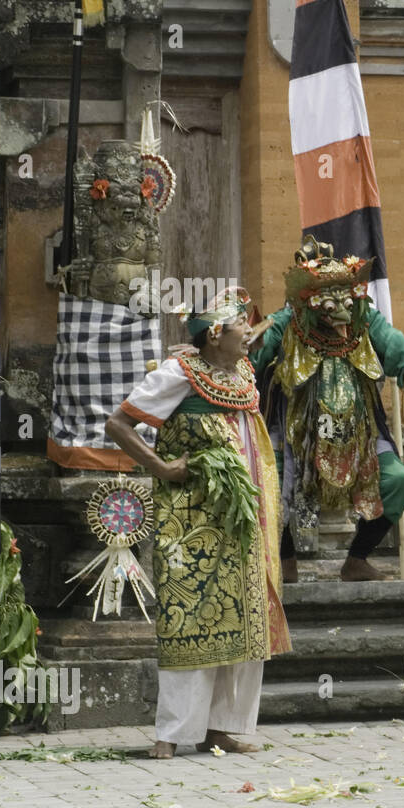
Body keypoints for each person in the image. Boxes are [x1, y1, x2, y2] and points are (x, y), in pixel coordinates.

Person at [105, 287, 291, 759]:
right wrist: (163, 468)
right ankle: (170, 733)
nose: (249, 331)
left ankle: (221, 729)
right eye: (239, 325)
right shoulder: (179, 373)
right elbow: (119, 423)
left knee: (246, 618)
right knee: (190, 617)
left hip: (245, 518)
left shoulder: (244, 370)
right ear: (214, 335)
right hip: (191, 518)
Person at [248, 237, 404, 582]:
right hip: (295, 435)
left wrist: (402, 359)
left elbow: (397, 349)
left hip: (361, 433)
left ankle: (356, 560)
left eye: (343, 292)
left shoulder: (364, 319)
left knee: (397, 480)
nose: (336, 304)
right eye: (326, 294)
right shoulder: (285, 322)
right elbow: (251, 354)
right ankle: (286, 559)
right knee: (266, 484)